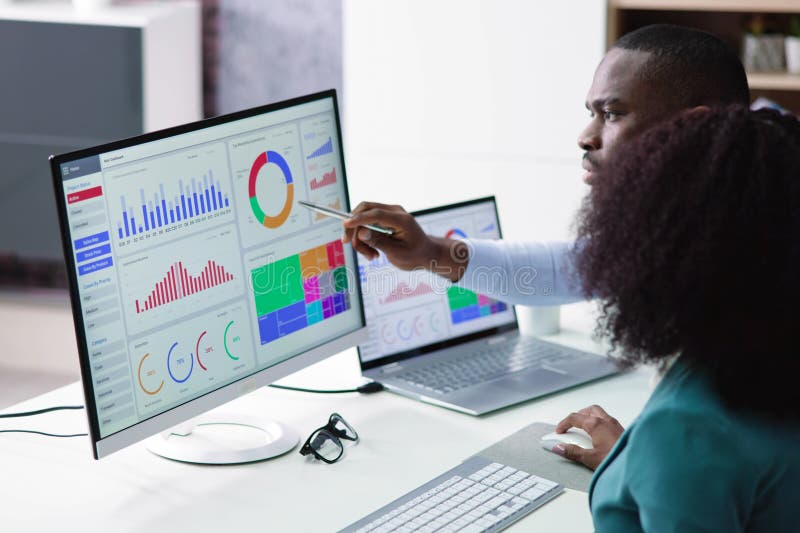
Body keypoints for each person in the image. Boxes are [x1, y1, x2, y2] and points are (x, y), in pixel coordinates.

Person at [342, 24, 752, 470]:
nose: (585, 135)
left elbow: (729, 470)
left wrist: (631, 459)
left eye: (612, 114)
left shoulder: (749, 268)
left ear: (689, 126)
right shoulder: (698, 227)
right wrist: (429, 253)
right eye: (591, 112)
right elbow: (570, 268)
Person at [569, 105, 800, 531]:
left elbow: (706, 448)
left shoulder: (685, 426)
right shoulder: (778, 357)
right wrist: (640, 464)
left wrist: (665, 457)